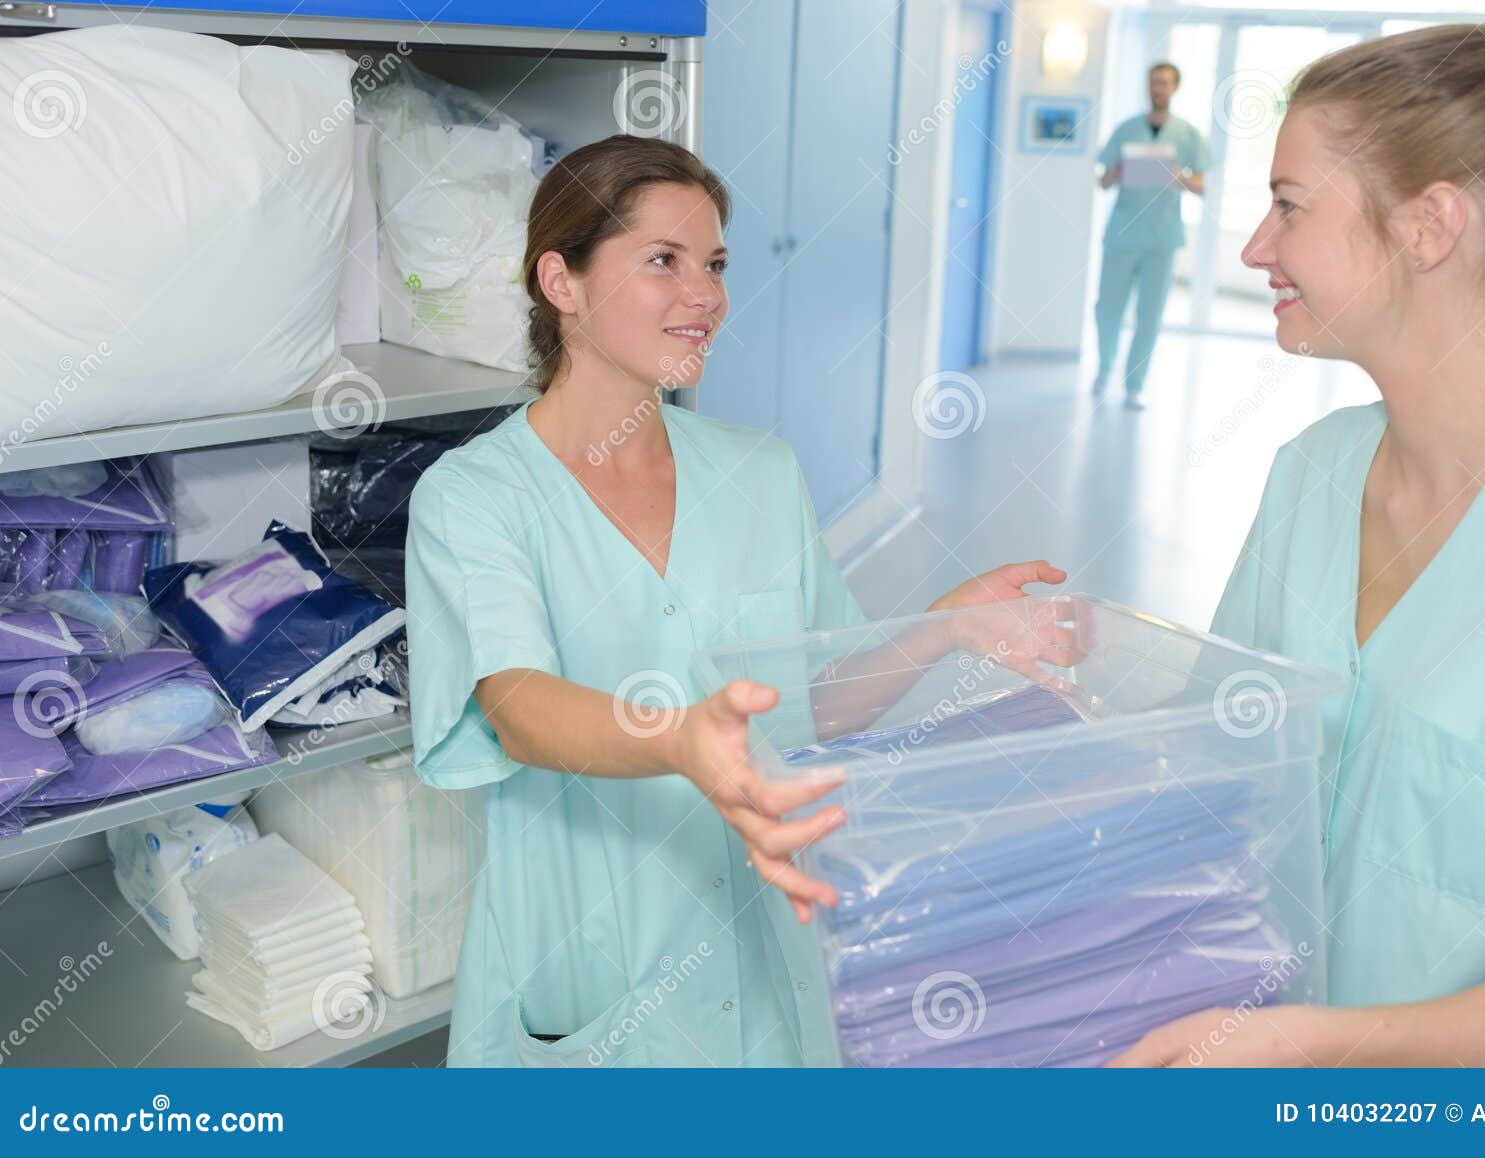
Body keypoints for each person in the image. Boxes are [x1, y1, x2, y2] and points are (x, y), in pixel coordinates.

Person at [403, 134, 1069, 1067]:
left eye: (714, 264)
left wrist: (942, 630)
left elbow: (812, 700)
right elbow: (517, 708)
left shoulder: (760, 474)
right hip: (594, 980)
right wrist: (680, 738)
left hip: (762, 976)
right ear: (562, 282)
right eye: (663, 262)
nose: (707, 295)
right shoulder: (473, 498)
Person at [1115, 24, 1485, 1066]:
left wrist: (1337, 1048)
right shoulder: (1312, 475)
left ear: (1428, 226)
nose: (1253, 247)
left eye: (1288, 206)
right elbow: (1219, 765)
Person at [1091, 62, 1209, 411]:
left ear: (1175, 87)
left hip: (1162, 238)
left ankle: (1135, 385)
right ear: (1147, 86)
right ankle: (1103, 369)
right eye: (1154, 82)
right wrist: (1116, 173)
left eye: (1166, 82)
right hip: (1123, 235)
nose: (1159, 87)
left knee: (1150, 316)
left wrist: (1179, 177)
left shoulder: (1187, 133)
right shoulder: (1127, 128)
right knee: (1107, 310)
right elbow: (1102, 181)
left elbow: (1202, 186)